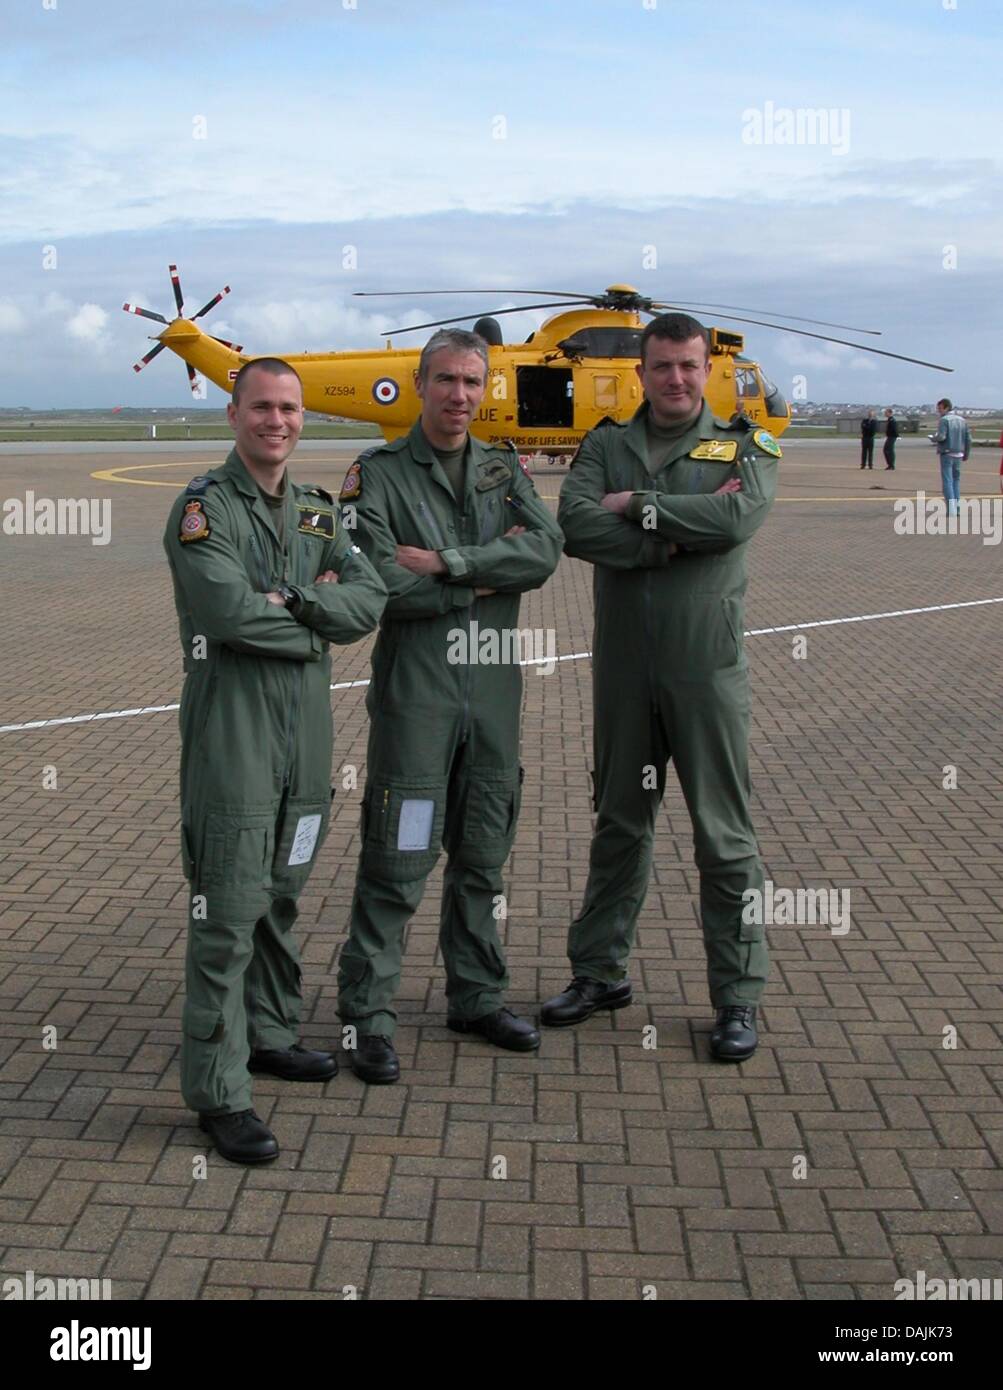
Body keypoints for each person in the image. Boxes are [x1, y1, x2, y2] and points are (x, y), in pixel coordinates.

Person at [163, 358, 386, 1163]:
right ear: (234, 415)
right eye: (262, 407)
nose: (278, 421)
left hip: (305, 740)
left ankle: (267, 1035)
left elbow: (368, 600)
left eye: (289, 409)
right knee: (226, 913)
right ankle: (219, 1093)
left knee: (281, 894)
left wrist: (291, 600)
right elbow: (226, 613)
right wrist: (314, 617)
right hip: (234, 735)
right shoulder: (201, 509)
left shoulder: (322, 515)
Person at [545, 312, 778, 1061]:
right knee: (618, 824)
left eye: (687, 366)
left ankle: (736, 996)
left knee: (723, 836)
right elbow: (574, 525)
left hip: (703, 673)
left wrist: (641, 508)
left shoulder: (744, 444)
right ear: (640, 372)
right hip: (622, 672)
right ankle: (599, 972)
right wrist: (677, 537)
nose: (675, 379)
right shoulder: (608, 442)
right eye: (661, 367)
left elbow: (738, 515)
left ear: (704, 367)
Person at [336, 329, 564, 1083]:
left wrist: (448, 564)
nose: (459, 396)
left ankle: (475, 995)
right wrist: (485, 579)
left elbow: (545, 550)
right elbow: (378, 586)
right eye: (445, 381)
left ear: (484, 386)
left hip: (492, 697)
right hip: (418, 701)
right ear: (420, 383)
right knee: (399, 859)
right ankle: (367, 1013)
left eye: (472, 382)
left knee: (482, 857)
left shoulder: (501, 469)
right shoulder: (377, 476)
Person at [933, 397, 971, 516]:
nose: (939, 411)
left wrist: (933, 438)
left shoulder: (944, 420)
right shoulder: (962, 420)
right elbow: (968, 439)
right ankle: (957, 508)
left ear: (946, 407)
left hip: (947, 453)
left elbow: (942, 437)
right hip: (959, 453)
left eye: (940, 408)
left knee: (948, 482)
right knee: (956, 481)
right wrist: (966, 454)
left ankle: (951, 509)